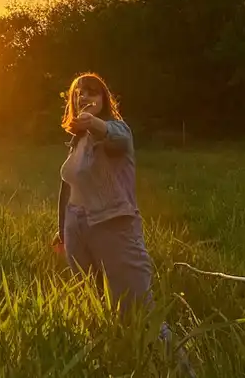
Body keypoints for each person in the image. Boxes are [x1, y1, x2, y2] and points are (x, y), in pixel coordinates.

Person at [51, 72, 193, 374]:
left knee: (139, 310)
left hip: (114, 227)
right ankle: (119, 365)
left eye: (91, 92)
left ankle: (182, 371)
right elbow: (68, 187)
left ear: (104, 99)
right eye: (78, 93)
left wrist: (93, 123)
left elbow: (117, 139)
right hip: (77, 230)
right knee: (95, 307)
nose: (83, 96)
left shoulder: (115, 129)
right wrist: (62, 230)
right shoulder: (77, 141)